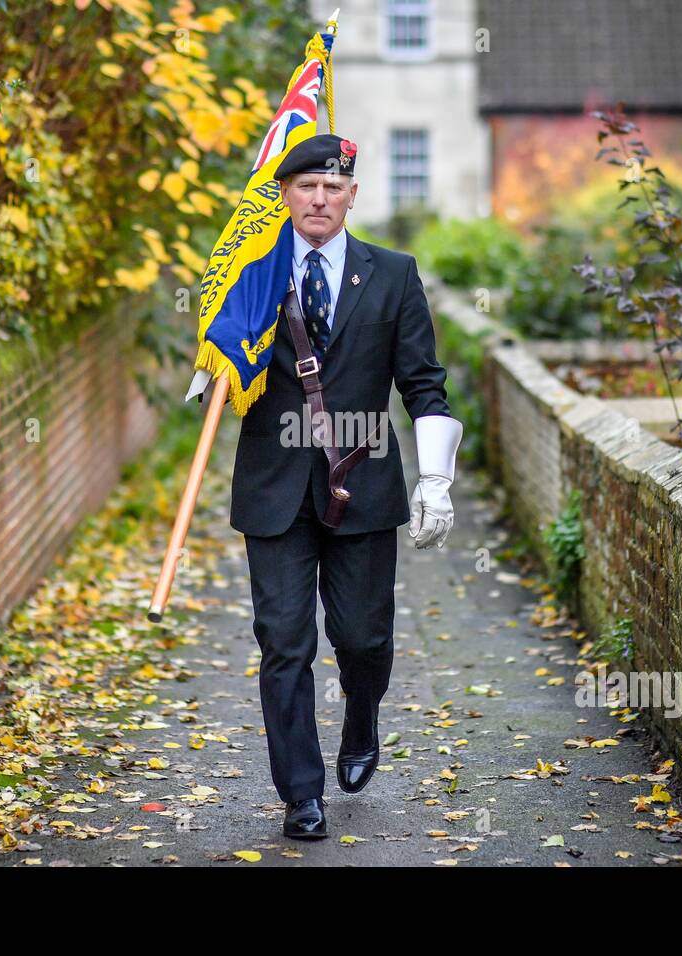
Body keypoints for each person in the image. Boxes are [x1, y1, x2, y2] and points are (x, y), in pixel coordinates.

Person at [186, 133, 463, 839]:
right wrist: (214, 364)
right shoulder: (252, 274)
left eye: (332, 188)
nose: (318, 198)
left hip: (364, 486)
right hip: (274, 488)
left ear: (351, 196)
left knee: (363, 640)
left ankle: (363, 715)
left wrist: (436, 479)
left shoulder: (394, 274)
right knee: (284, 642)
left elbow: (424, 384)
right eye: (306, 186)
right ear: (285, 194)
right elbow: (225, 349)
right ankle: (300, 794)